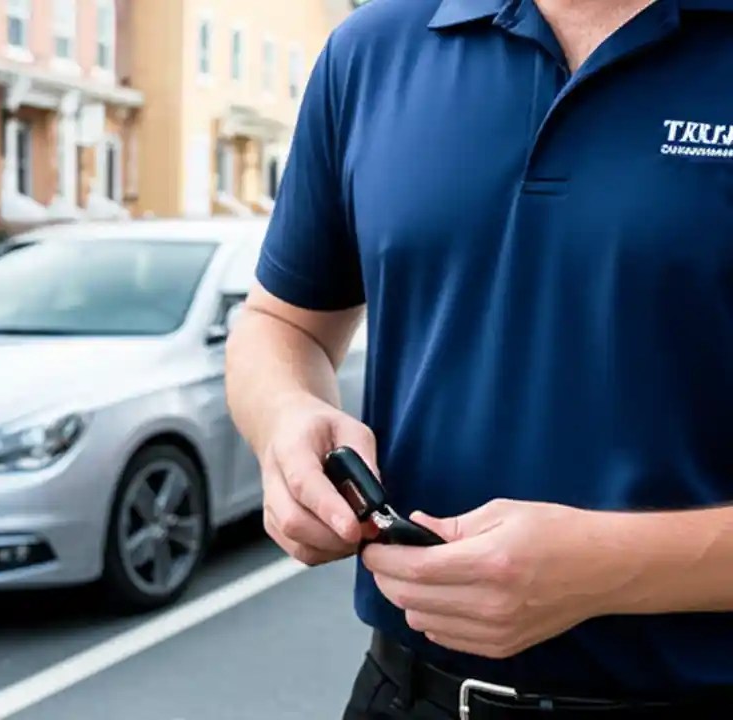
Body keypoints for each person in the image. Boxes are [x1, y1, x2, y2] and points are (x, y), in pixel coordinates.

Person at [224, 0, 733, 715]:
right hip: (409, 694)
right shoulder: (371, 52)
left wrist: (616, 567)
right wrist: (285, 419)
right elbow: (280, 324)